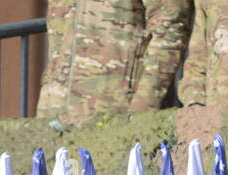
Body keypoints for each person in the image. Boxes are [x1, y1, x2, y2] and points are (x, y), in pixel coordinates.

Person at [36, 0, 192, 121]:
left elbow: (170, 27)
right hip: (54, 117)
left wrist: (142, 109)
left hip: (117, 113)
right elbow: (57, 46)